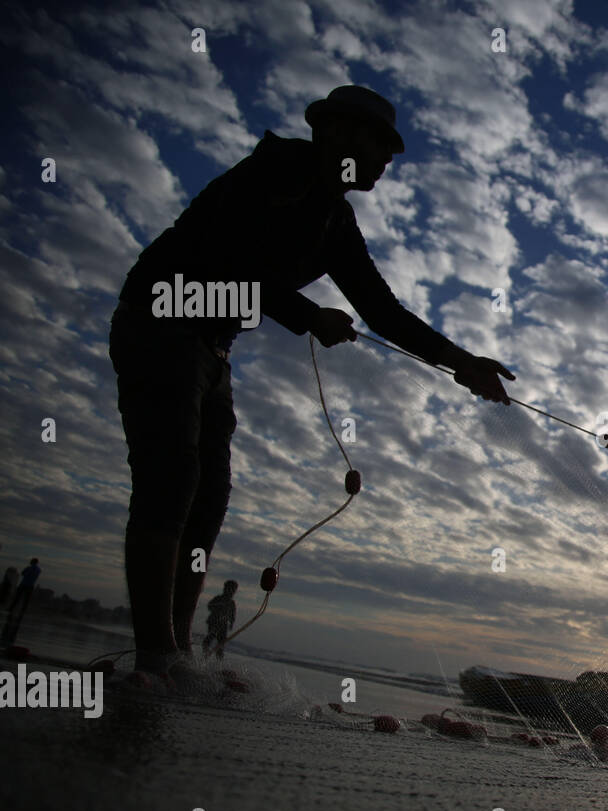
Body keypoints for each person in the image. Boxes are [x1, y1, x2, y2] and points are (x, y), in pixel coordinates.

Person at [110, 86, 515, 681]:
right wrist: (306, 315)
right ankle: (156, 654)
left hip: (212, 349)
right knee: (173, 477)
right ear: (341, 135)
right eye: (382, 148)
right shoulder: (273, 173)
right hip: (161, 321)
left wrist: (462, 362)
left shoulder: (335, 220)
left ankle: (174, 650)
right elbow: (225, 263)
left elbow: (383, 311)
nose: (386, 163)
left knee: (209, 494)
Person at [202, 580, 238, 660]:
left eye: (233, 590)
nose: (231, 592)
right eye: (229, 589)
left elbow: (232, 615)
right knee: (207, 641)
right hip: (214, 624)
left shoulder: (231, 603)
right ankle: (205, 656)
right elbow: (210, 606)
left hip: (223, 626)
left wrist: (231, 623)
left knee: (220, 645)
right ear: (225, 589)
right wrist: (218, 607)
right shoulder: (218, 599)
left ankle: (218, 661)